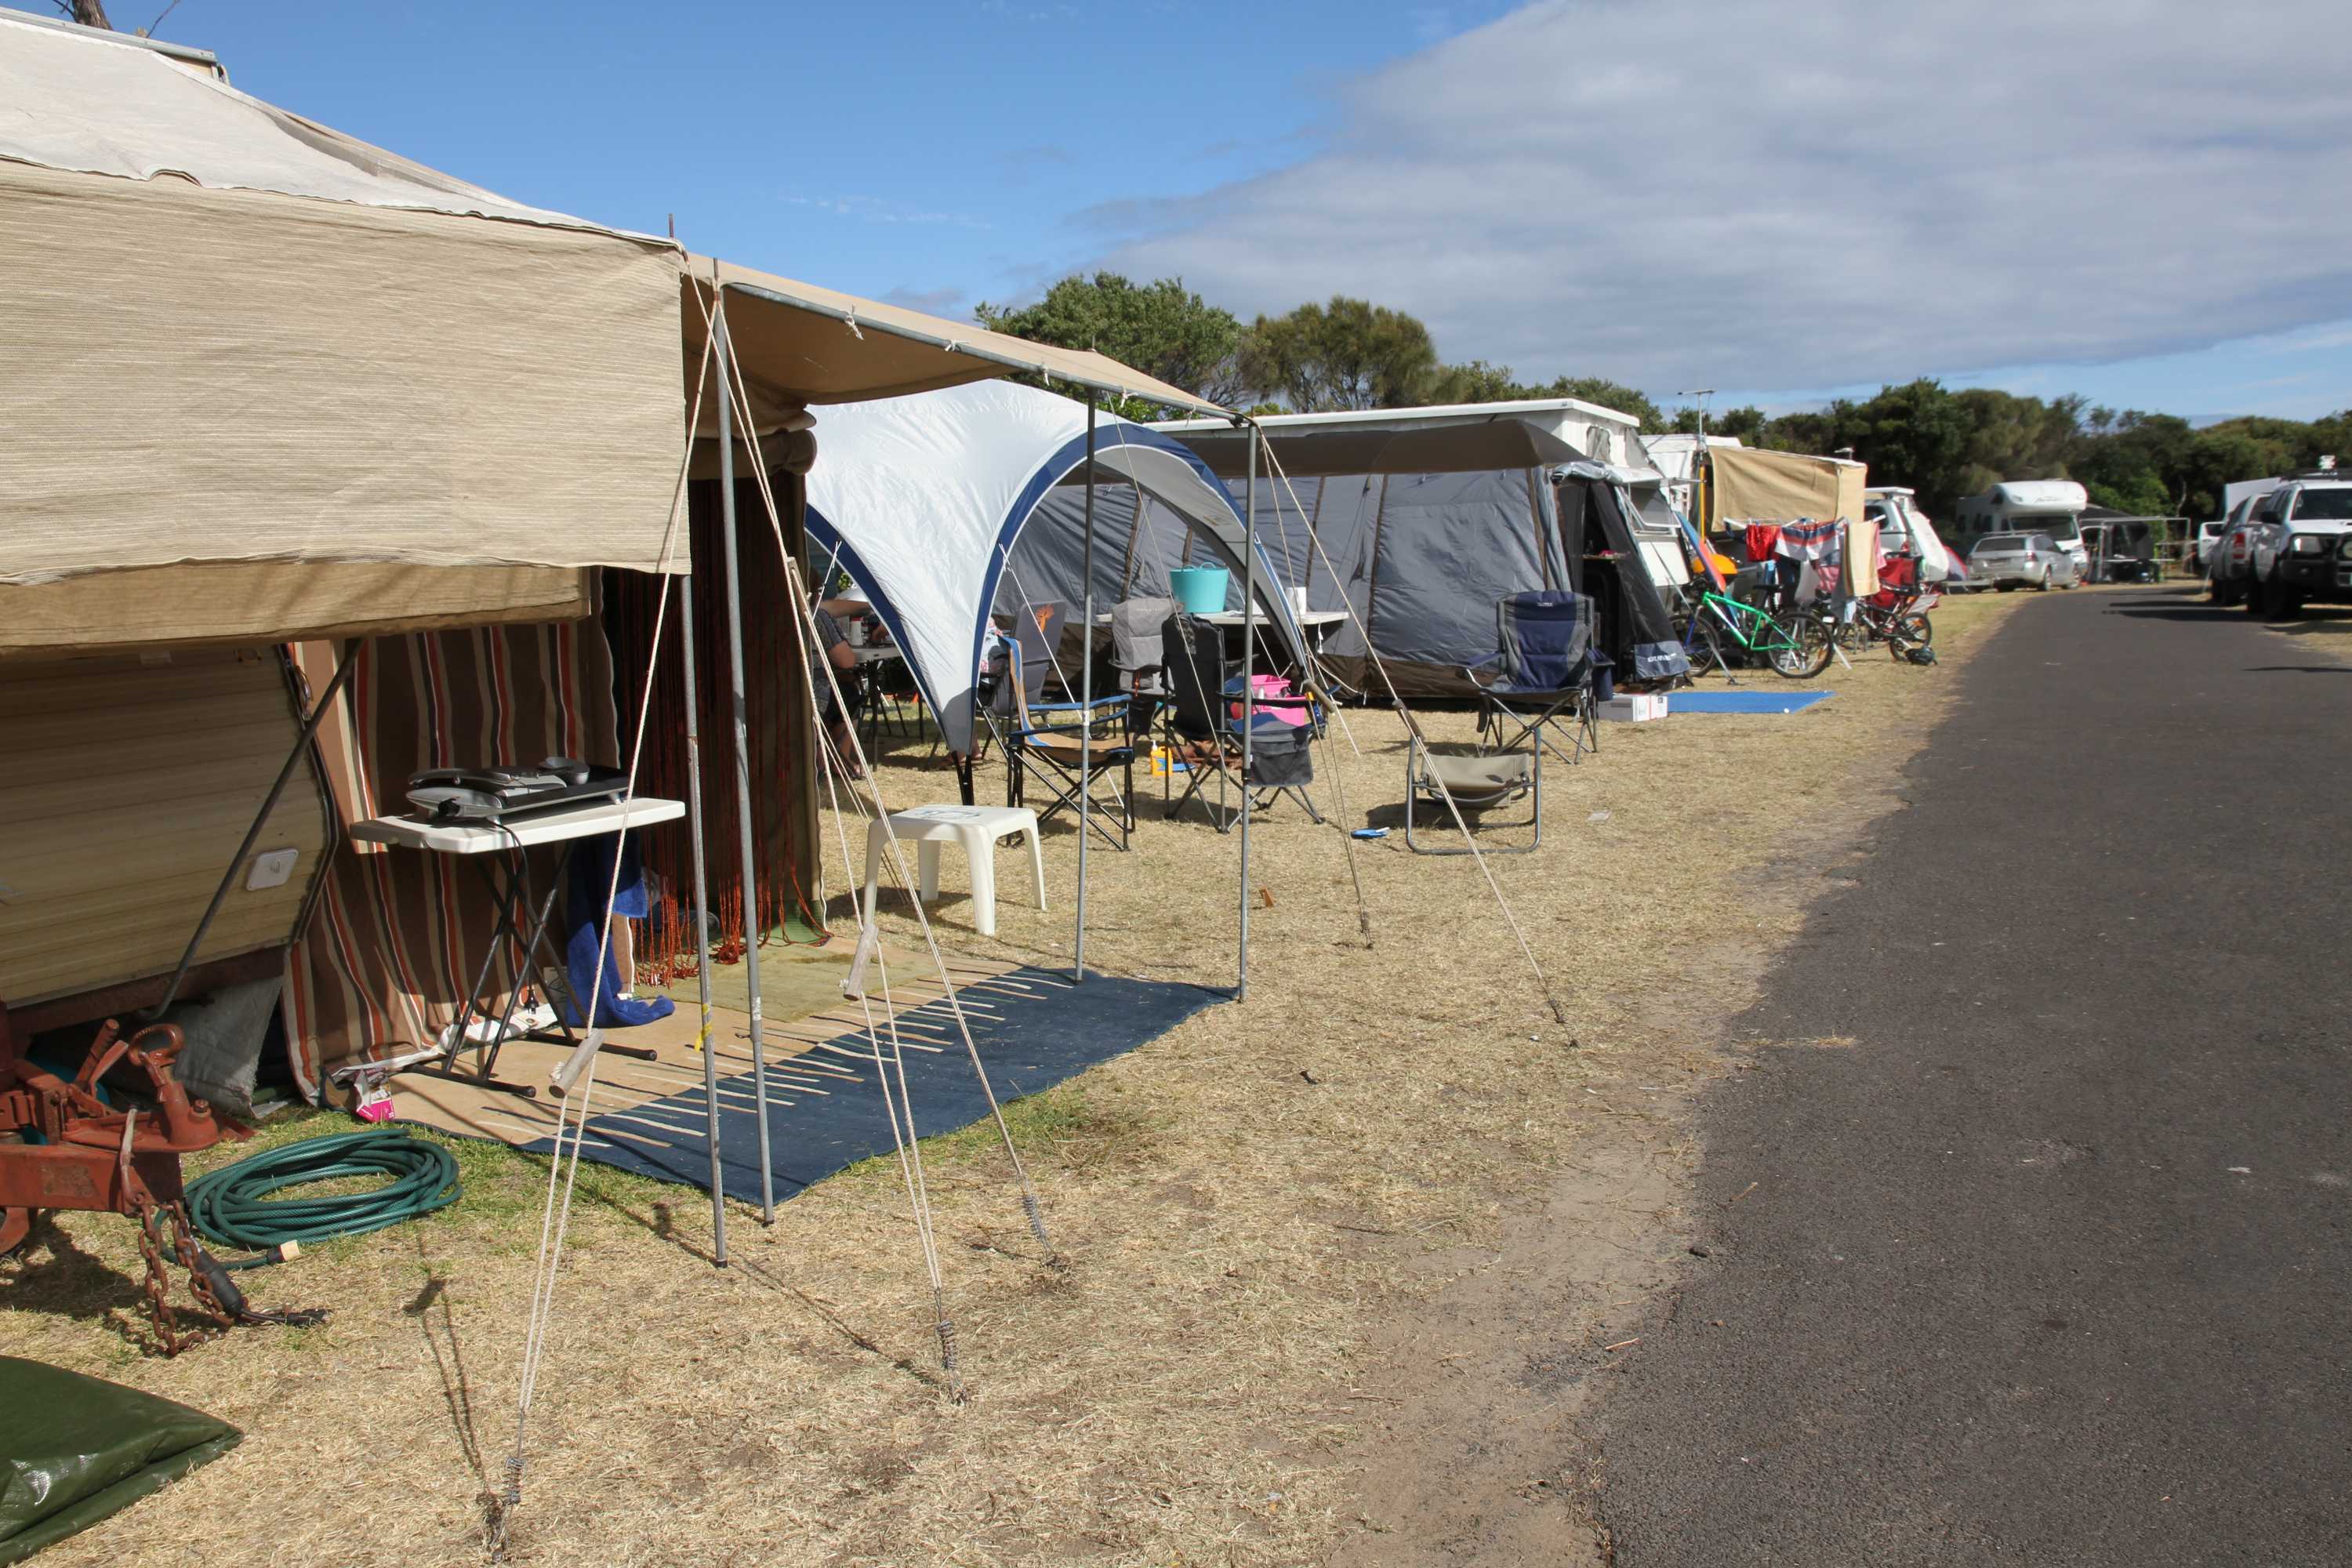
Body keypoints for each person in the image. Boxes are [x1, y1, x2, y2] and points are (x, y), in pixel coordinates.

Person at [806, 596, 862, 777]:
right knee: (850, 691)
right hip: (809, 697)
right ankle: (840, 759)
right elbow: (847, 661)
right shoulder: (816, 615)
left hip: (776, 695)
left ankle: (824, 750)